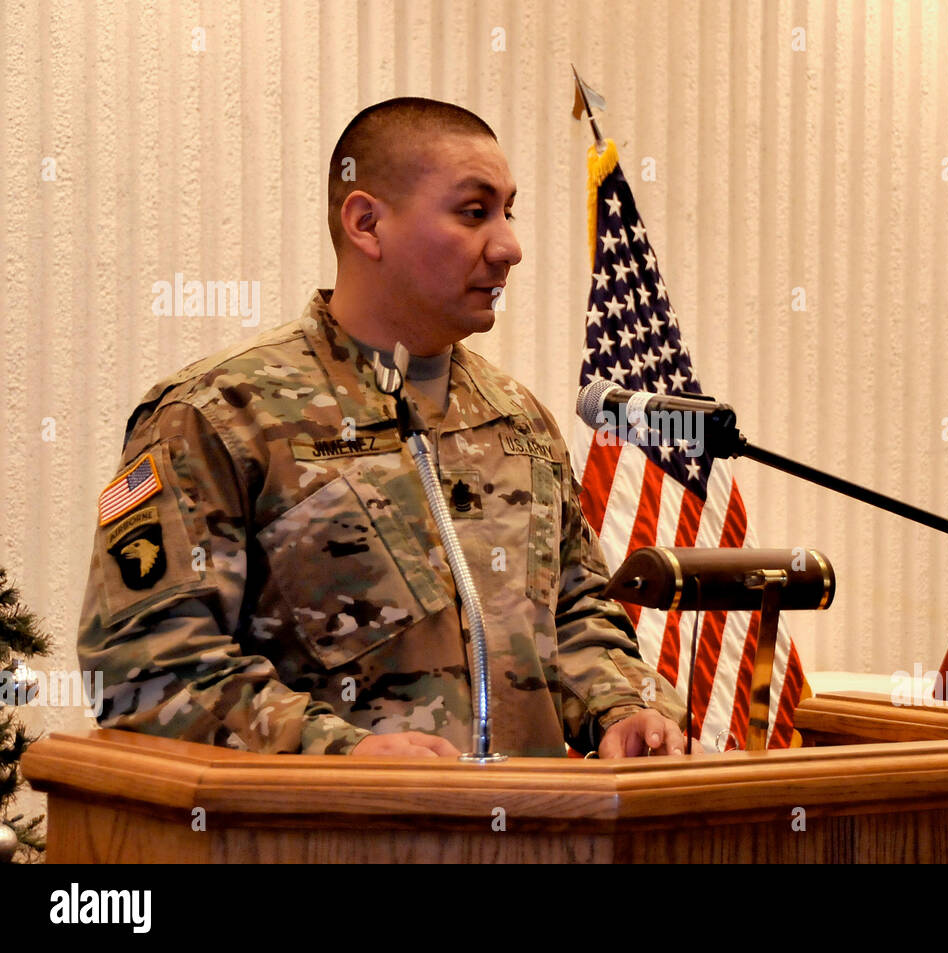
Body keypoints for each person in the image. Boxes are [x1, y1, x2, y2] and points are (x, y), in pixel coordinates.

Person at [77, 97, 687, 759]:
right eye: (474, 211)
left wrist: (623, 705)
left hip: (531, 832)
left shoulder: (517, 416)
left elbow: (577, 612)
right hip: (326, 837)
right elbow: (145, 665)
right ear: (368, 223)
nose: (509, 245)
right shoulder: (221, 414)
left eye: (508, 211)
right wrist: (337, 752)